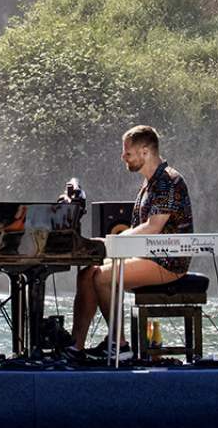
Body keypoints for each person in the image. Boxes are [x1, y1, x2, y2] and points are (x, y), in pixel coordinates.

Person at [70, 125, 193, 354]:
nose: (123, 156)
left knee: (102, 278)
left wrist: (112, 241)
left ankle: (120, 346)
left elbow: (153, 227)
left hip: (168, 262)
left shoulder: (167, 181)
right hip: (147, 257)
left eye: (128, 152)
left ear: (145, 152)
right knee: (87, 272)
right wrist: (110, 242)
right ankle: (75, 346)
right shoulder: (149, 183)